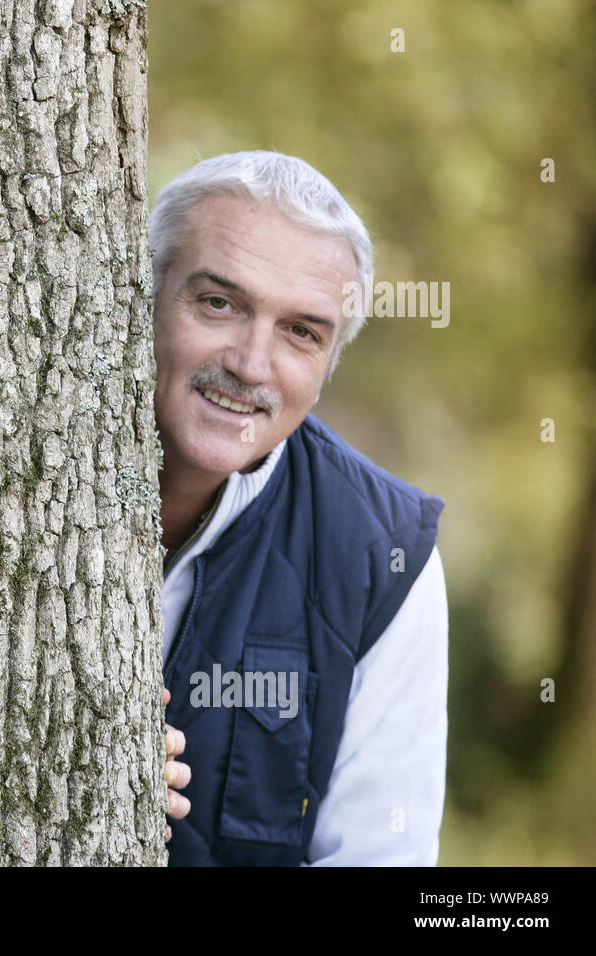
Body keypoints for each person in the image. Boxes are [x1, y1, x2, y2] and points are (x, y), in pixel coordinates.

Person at [149, 151, 447, 865]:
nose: (251, 364)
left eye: (300, 332)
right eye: (219, 303)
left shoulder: (384, 557)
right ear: (144, 295)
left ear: (328, 364)